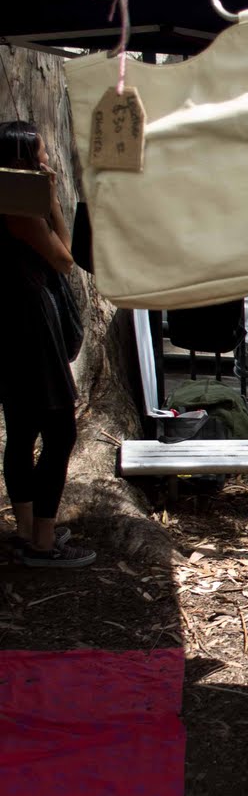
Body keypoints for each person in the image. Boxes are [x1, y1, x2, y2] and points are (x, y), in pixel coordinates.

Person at [0, 119, 95, 567]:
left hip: (13, 325)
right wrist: (52, 198)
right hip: (31, 328)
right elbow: (63, 259)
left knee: (21, 430)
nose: (46, 161)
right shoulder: (18, 210)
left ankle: (24, 529)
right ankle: (43, 541)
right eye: (39, 155)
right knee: (60, 432)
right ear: (19, 161)